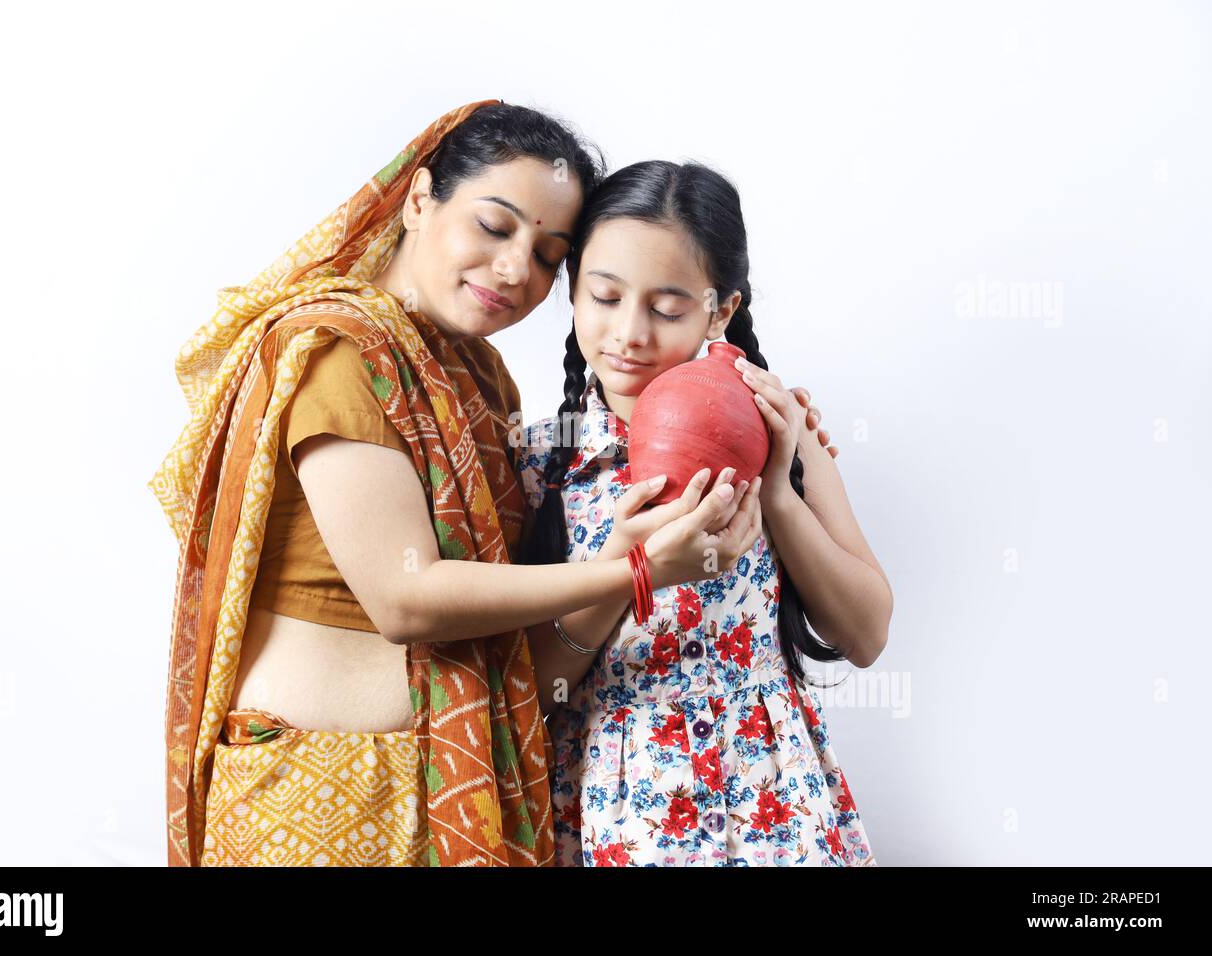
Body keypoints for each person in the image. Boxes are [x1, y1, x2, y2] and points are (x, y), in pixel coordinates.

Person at [151, 101, 810, 866]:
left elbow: (516, 590)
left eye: (544, 254)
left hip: (444, 782)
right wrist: (627, 571)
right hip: (316, 787)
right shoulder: (337, 351)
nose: (512, 271)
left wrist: (757, 436)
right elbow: (407, 600)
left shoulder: (480, 379)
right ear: (421, 197)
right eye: (495, 228)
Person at [517, 160, 891, 865]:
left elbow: (866, 636)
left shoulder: (782, 427)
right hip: (614, 810)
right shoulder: (543, 464)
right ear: (573, 291)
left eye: (666, 308)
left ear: (720, 311)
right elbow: (539, 689)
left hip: (770, 811)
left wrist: (779, 491)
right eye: (603, 296)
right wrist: (629, 570)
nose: (628, 333)